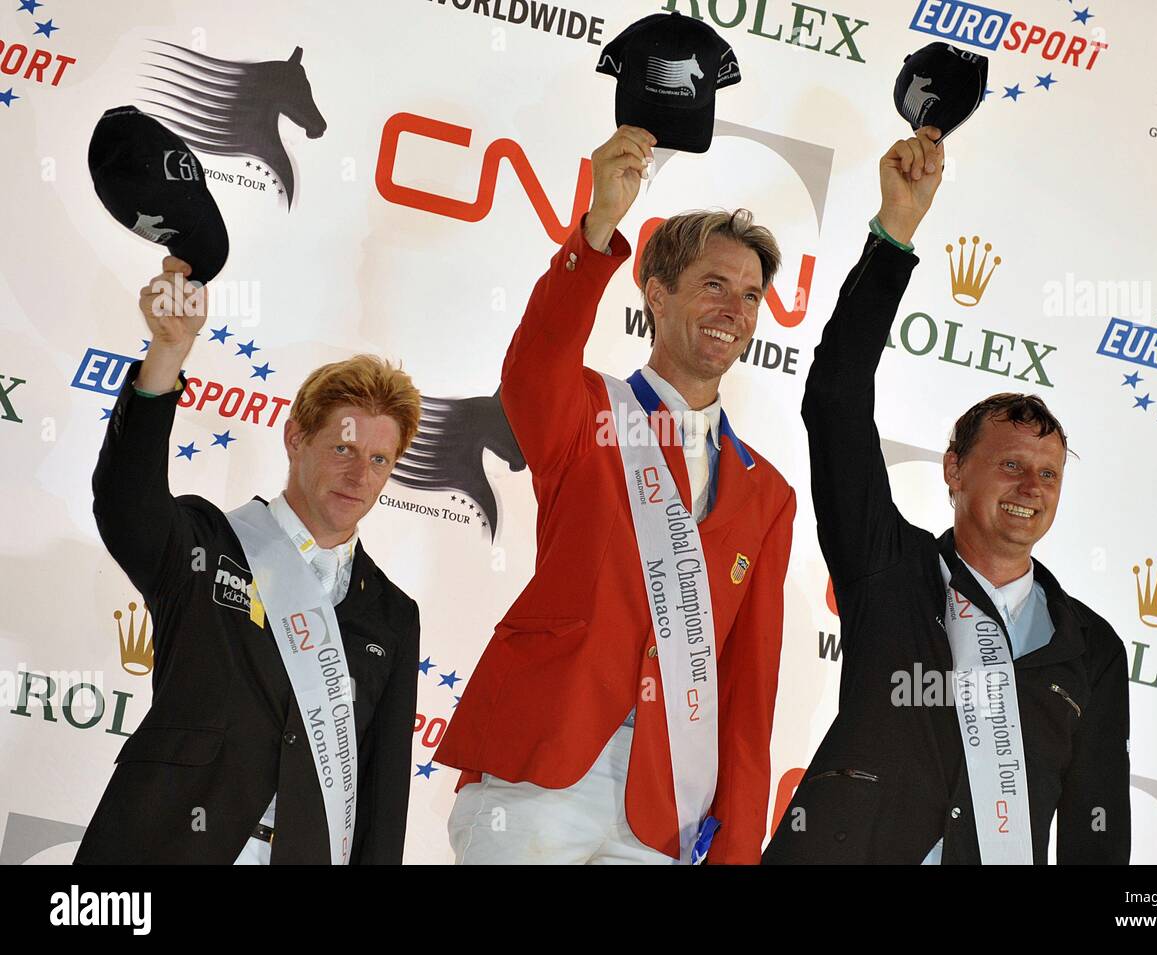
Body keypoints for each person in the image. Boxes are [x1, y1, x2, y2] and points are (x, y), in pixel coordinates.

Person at [764, 128, 1130, 865]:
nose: (1031, 487)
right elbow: (835, 399)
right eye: (1011, 465)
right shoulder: (886, 568)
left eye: (1049, 473)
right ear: (954, 470)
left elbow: (1097, 830)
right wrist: (894, 231)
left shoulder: (1091, 649)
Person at [435, 126, 797, 864]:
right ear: (656, 295)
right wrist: (599, 227)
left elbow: (748, 694)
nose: (735, 310)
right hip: (539, 775)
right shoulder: (587, 408)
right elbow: (533, 365)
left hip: (664, 806)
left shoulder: (770, 494)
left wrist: (735, 854)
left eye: (752, 296)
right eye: (714, 285)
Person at [75, 257, 422, 864]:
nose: (357, 474)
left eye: (378, 460)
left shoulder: (392, 616)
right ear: (295, 438)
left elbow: (383, 800)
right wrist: (166, 357)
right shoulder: (209, 542)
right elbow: (126, 506)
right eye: (342, 447)